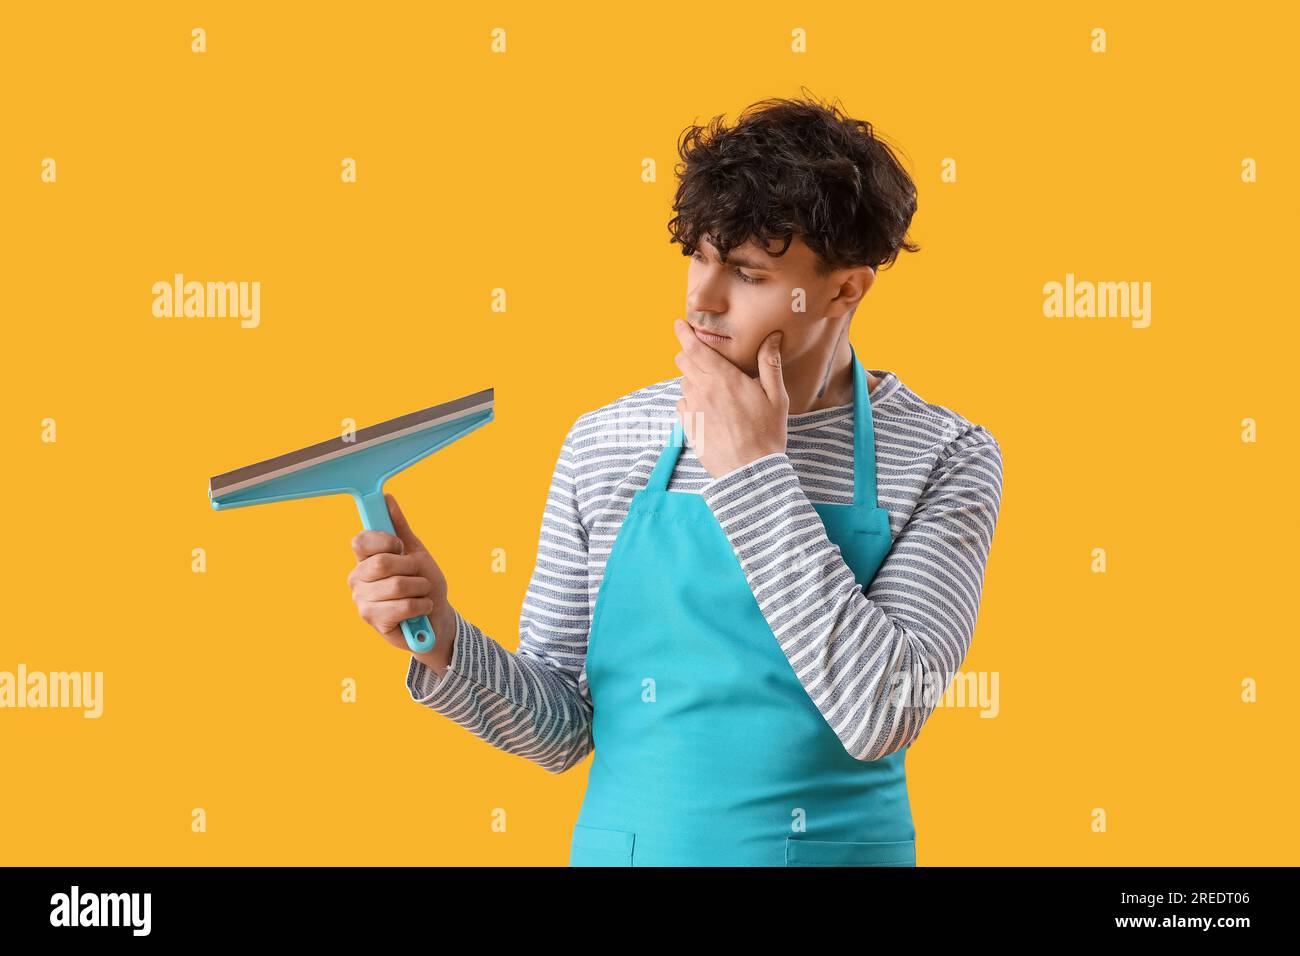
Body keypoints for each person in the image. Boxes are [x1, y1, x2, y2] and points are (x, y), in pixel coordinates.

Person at [347, 93, 1003, 866]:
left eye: (748, 273)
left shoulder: (945, 455)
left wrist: (753, 469)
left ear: (845, 289)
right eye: (696, 255)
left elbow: (883, 711)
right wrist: (444, 642)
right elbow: (561, 728)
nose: (701, 298)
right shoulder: (607, 441)